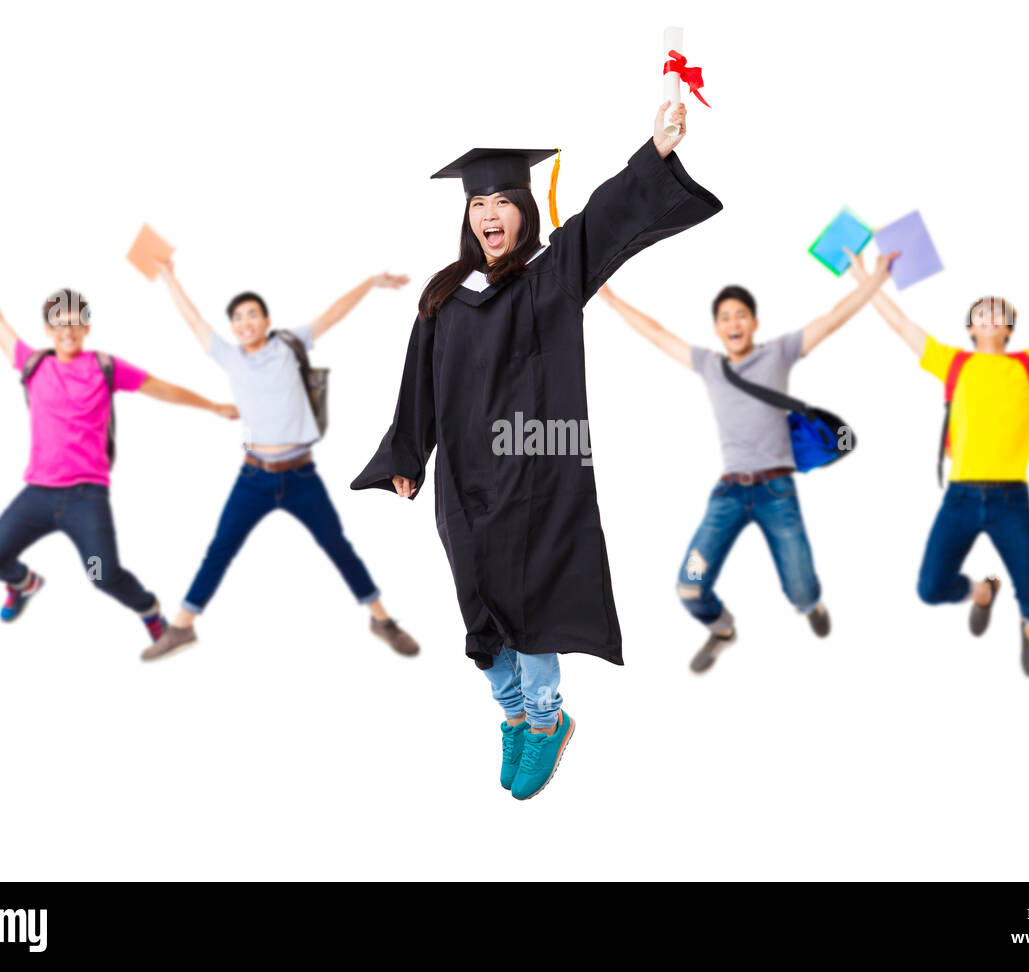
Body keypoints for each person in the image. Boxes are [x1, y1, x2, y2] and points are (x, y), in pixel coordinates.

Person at [352, 101, 722, 799]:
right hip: (464, 483)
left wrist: (658, 150)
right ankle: (514, 714)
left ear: (522, 207)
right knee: (480, 612)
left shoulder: (550, 278)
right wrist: (407, 456)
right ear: (466, 214)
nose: (488, 214)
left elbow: (604, 218)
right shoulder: (442, 295)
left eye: (501, 201)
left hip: (535, 472)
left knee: (531, 602)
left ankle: (547, 721)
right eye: (478, 204)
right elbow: (418, 388)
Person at [847, 247, 1029, 676]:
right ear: (970, 328)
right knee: (930, 590)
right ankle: (981, 593)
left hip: (1011, 501)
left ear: (1008, 327)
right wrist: (864, 277)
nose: (989, 314)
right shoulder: (953, 362)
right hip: (960, 499)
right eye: (980, 312)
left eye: (998, 312)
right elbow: (899, 323)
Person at [598, 248, 896, 673]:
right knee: (690, 585)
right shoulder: (710, 364)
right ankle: (722, 631)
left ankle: (811, 605)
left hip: (778, 492)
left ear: (754, 323)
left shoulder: (779, 353)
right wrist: (609, 297)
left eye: (741, 315)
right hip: (729, 495)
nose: (734, 323)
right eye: (725, 317)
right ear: (717, 329)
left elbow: (833, 318)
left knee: (801, 589)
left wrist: (874, 280)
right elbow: (656, 332)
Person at [142, 258, 420, 661]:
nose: (244, 321)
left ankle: (382, 620)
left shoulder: (289, 343)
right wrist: (168, 274)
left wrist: (372, 282)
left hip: (301, 476)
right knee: (220, 548)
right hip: (254, 477)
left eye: (252, 314)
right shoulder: (230, 356)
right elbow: (193, 319)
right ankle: (181, 627)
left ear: (266, 320)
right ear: (234, 328)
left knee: (337, 546)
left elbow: (333, 314)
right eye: (237, 318)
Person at [0, 252, 237, 646]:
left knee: (100, 574)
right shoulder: (32, 363)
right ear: (48, 327)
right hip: (37, 497)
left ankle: (147, 609)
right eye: (60, 323)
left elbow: (162, 388)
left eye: (75, 322)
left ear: (86, 326)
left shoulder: (105, 367)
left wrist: (213, 406)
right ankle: (24, 584)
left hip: (85, 500)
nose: (68, 330)